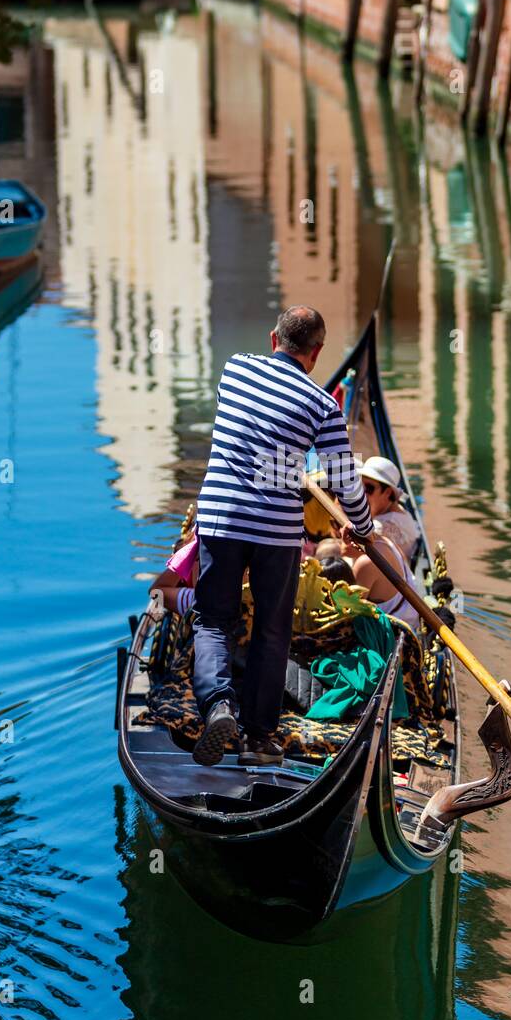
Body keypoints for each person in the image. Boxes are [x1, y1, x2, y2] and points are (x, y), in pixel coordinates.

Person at [192, 306, 374, 768]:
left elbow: (252, 434)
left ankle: (218, 706)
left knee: (213, 620)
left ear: (273, 339)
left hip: (221, 517)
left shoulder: (234, 369)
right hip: (276, 532)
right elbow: (343, 479)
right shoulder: (322, 405)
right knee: (273, 634)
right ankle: (258, 739)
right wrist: (364, 526)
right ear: (315, 355)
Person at [358, 456, 420, 562]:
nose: (362, 494)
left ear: (388, 492)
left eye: (369, 488)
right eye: (361, 486)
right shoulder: (399, 511)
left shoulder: (381, 527)